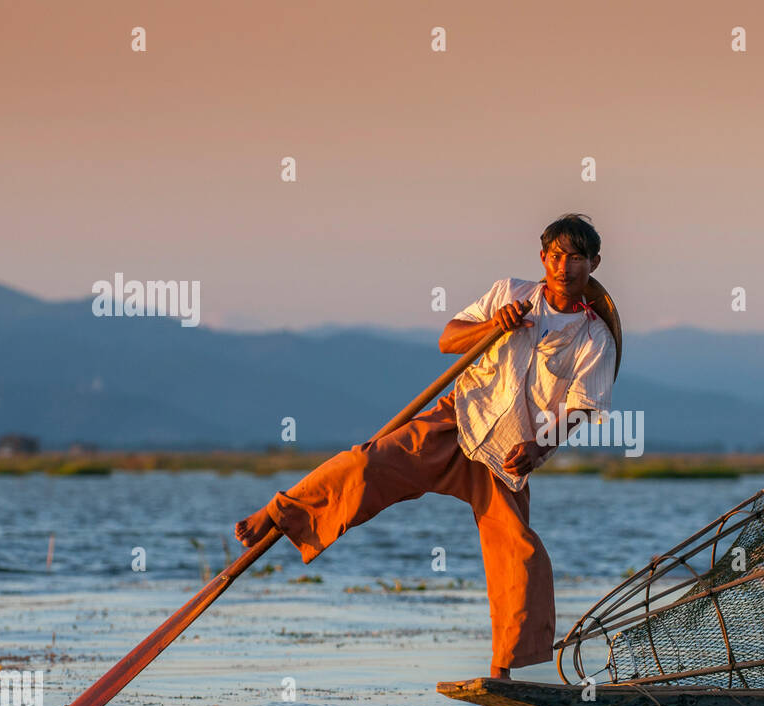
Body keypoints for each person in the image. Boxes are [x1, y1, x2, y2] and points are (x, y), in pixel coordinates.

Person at [234, 213, 618, 679]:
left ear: (594, 263)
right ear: (543, 258)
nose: (565, 265)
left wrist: (539, 448)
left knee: (521, 553)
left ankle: (505, 671)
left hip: (509, 454)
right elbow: (448, 340)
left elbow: (582, 407)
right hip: (456, 421)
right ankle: (279, 512)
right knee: (364, 465)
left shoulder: (595, 336)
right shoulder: (510, 293)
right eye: (557, 255)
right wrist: (494, 326)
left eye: (576, 257)